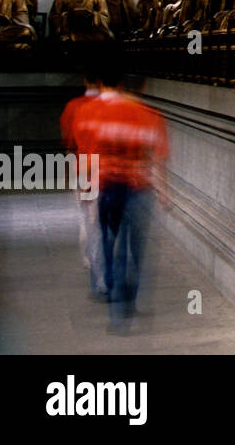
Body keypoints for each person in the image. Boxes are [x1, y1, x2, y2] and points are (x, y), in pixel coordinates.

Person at [82, 53, 168, 330]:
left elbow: (94, 152)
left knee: (111, 241)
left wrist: (90, 186)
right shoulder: (150, 116)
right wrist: (165, 192)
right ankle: (127, 301)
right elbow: (158, 158)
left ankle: (113, 297)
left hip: (109, 186)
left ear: (119, 86)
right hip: (139, 189)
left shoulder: (103, 113)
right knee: (135, 250)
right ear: (142, 87)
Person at [60, 64, 106, 299]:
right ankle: (100, 273)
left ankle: (88, 258)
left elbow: (69, 141)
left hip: (81, 167)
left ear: (85, 80)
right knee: (98, 219)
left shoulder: (73, 106)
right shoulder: (108, 108)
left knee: (85, 217)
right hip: (104, 169)